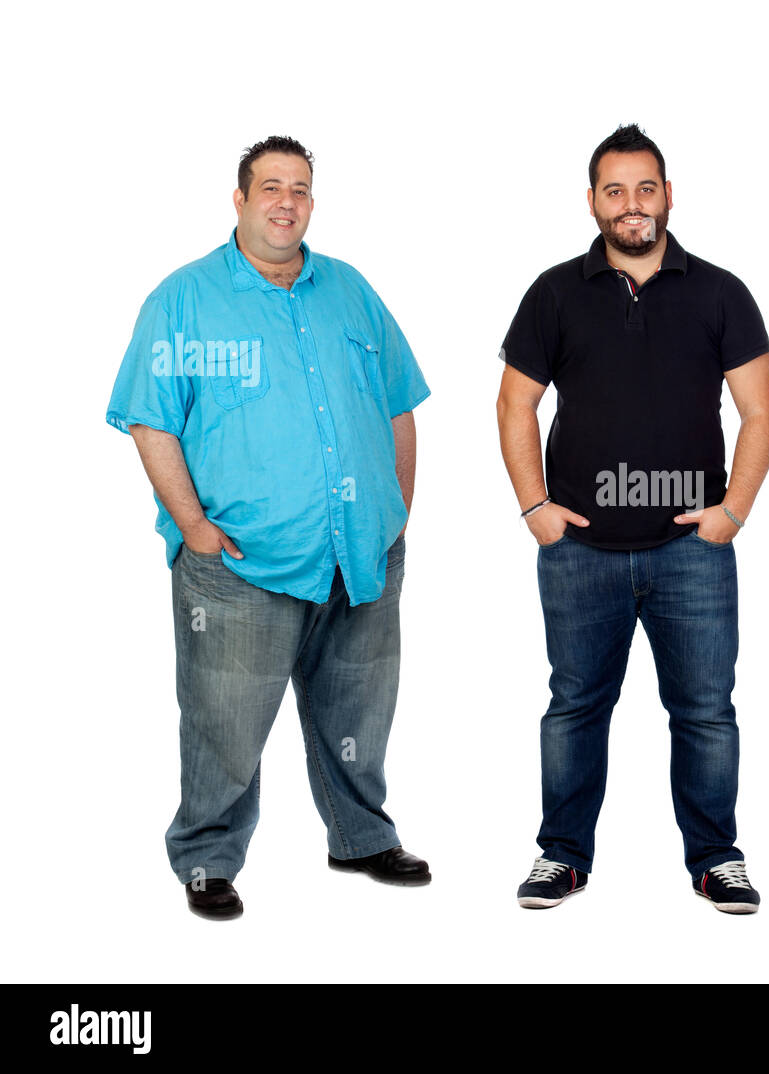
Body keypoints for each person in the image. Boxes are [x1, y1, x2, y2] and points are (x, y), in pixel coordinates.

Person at [106, 136, 432, 920]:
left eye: (302, 189)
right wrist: (194, 527)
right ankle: (209, 857)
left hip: (360, 556)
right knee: (226, 719)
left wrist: (393, 516)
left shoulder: (350, 291)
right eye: (271, 187)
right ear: (241, 200)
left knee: (360, 706)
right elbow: (151, 422)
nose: (288, 202)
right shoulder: (184, 300)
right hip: (240, 562)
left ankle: (360, 836)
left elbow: (399, 405)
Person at [496, 124, 769, 913]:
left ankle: (717, 858)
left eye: (645, 188)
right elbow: (515, 402)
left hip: (692, 549)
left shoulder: (720, 291)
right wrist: (535, 508)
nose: (631, 205)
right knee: (575, 706)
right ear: (593, 202)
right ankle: (562, 856)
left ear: (668, 195)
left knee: (705, 712)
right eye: (615, 191)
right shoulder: (554, 292)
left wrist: (733, 512)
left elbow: (760, 410)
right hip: (580, 549)